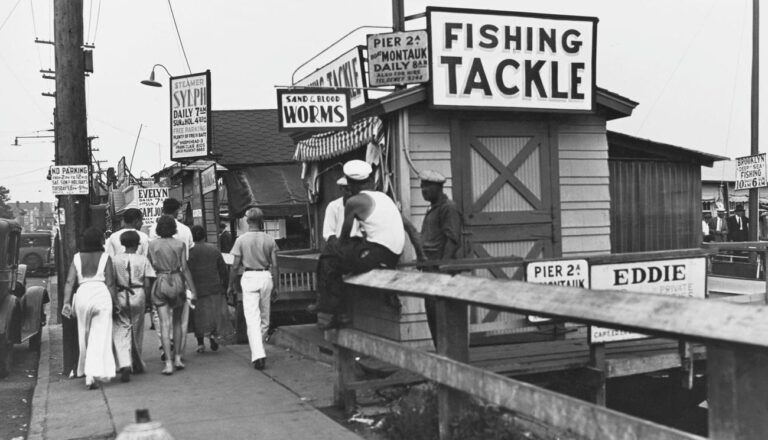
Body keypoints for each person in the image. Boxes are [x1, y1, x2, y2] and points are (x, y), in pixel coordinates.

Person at [314, 160, 423, 329]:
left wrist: (339, 249)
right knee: (341, 255)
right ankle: (336, 310)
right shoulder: (384, 198)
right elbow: (411, 229)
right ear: (368, 180)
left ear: (349, 185)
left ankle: (332, 310)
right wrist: (421, 256)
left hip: (376, 254)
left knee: (329, 258)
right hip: (393, 256)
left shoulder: (354, 202)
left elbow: (343, 239)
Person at [61, 227, 118, 389]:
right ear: (100, 240)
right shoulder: (106, 257)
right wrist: (116, 303)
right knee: (100, 336)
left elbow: (70, 282)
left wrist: (66, 302)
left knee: (84, 335)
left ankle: (87, 371)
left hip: (82, 295)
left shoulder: (77, 258)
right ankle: (94, 373)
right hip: (101, 294)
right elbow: (111, 283)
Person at [228, 208, 279, 370]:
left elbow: (235, 266)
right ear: (261, 221)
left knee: (252, 319)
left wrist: (230, 285)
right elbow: (275, 265)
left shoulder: (241, 240)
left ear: (248, 221)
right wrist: (276, 285)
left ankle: (258, 354)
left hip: (249, 277)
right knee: (265, 318)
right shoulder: (269, 239)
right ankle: (259, 349)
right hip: (266, 277)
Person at [147, 215, 198, 375]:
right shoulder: (180, 244)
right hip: (177, 281)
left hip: (160, 281)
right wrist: (193, 289)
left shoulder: (152, 245)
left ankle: (168, 363)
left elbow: (150, 267)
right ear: (174, 228)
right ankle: (177, 358)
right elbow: (185, 268)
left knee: (163, 324)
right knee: (177, 322)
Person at [418, 170, 463, 348]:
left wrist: (442, 270)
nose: (423, 190)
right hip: (429, 270)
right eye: (422, 186)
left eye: (427, 186)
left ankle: (449, 357)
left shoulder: (448, 208)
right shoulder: (432, 209)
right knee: (433, 316)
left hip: (440, 272)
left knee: (443, 318)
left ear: (438, 187)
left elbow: (452, 240)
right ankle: (441, 355)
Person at [111, 230, 155, 382]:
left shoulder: (114, 260)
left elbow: (112, 281)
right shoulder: (143, 260)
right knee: (137, 330)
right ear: (138, 244)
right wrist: (148, 300)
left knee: (121, 330)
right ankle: (136, 363)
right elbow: (148, 283)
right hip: (138, 294)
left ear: (122, 243)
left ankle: (124, 362)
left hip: (121, 295)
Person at [188, 225, 229, 353]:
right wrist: (225, 286)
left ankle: (200, 343)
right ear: (204, 236)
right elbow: (223, 270)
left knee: (197, 316)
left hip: (196, 288)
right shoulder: (214, 249)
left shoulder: (189, 252)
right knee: (213, 314)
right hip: (214, 287)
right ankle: (212, 335)